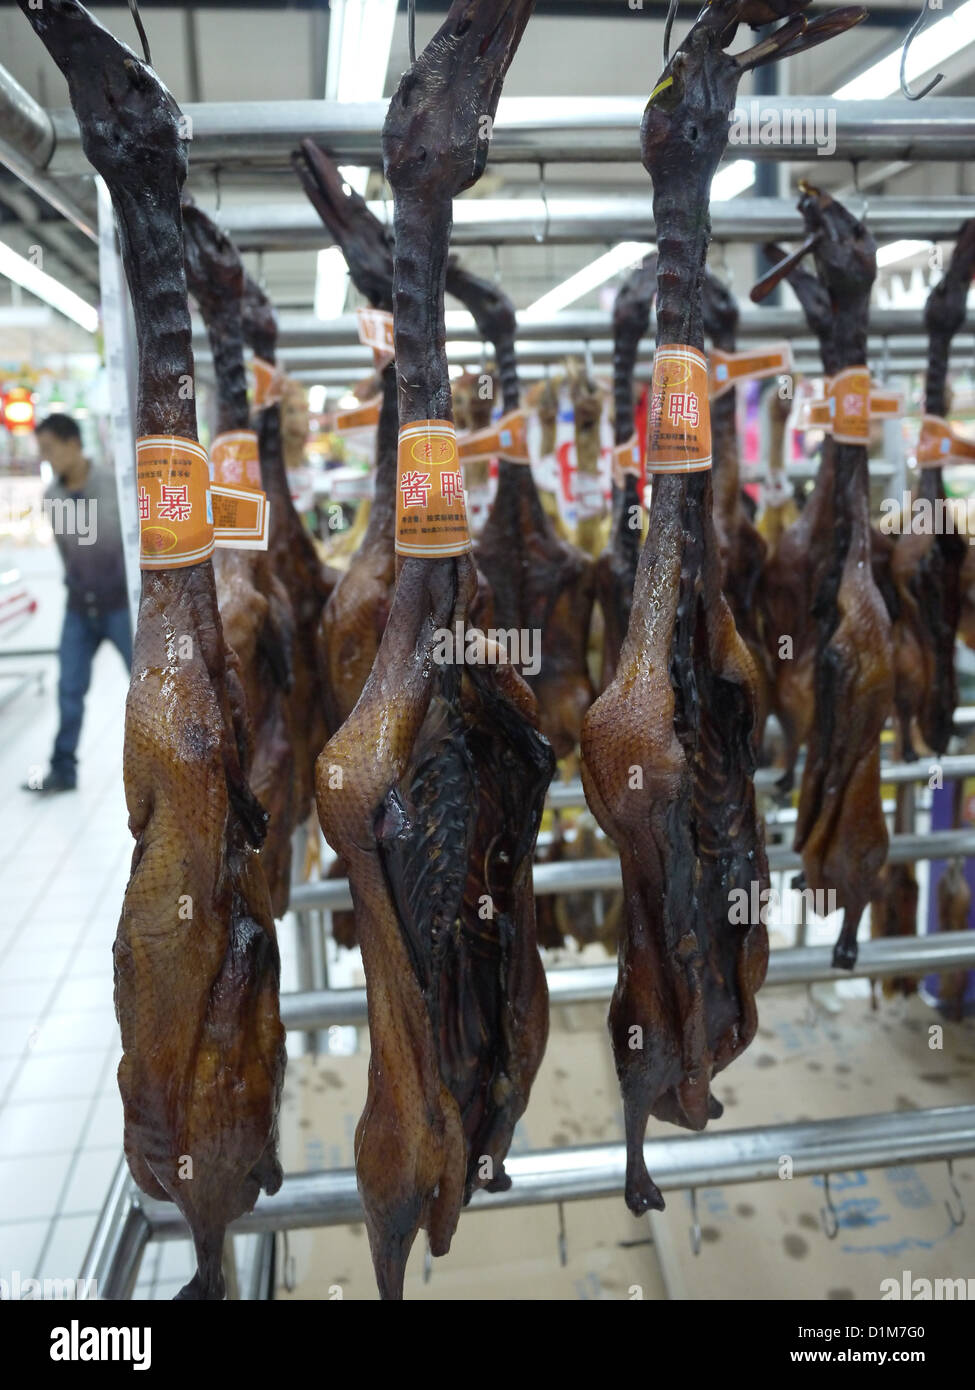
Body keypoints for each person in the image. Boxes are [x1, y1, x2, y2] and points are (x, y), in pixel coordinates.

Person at [23, 414, 131, 794]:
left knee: (145, 685)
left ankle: (169, 763)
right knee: (69, 690)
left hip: (121, 607)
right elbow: (65, 552)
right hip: (78, 612)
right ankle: (63, 769)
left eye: (50, 449)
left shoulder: (114, 484)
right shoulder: (53, 497)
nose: (47, 458)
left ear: (73, 444)